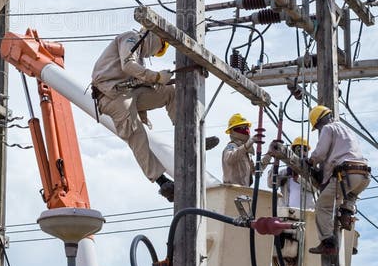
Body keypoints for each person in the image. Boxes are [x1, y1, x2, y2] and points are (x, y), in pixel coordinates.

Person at [91, 29, 219, 201]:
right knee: (136, 133)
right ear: (156, 37)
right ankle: (162, 181)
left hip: (130, 92)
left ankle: (189, 136)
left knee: (169, 92)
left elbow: (138, 78)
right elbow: (127, 65)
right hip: (111, 95)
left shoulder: (140, 57)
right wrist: (156, 76)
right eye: (159, 49)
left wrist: (159, 81)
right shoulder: (131, 38)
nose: (155, 53)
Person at [306, 105, 371, 255]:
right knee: (349, 195)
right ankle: (346, 212)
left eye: (317, 126)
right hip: (364, 176)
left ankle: (328, 243)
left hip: (346, 175)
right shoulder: (346, 129)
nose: (319, 130)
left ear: (320, 121)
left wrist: (311, 161)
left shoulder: (328, 129)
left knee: (323, 206)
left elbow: (321, 153)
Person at [266, 137, 315, 209]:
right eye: (297, 149)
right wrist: (276, 161)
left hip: (306, 214)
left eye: (304, 149)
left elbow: (314, 188)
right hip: (286, 214)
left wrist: (298, 179)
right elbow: (271, 184)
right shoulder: (284, 172)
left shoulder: (311, 172)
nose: (301, 152)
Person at [221, 113, 261, 186]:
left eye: (246, 128)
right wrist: (248, 144)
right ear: (233, 131)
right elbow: (230, 158)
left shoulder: (246, 153)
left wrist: (269, 155)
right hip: (232, 191)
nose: (246, 130)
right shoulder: (231, 146)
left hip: (244, 191)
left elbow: (255, 171)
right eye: (242, 128)